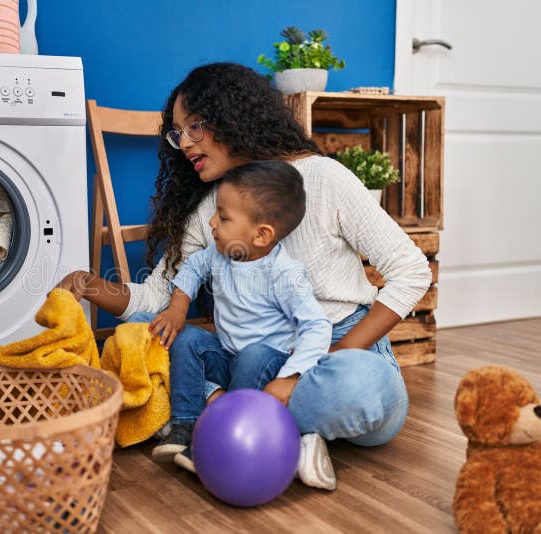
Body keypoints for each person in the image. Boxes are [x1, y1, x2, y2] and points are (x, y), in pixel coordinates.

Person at [57, 62, 431, 490]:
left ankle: (226, 418)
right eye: (177, 134)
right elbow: (159, 300)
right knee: (145, 337)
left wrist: (335, 355)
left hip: (336, 352)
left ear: (231, 115)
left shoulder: (323, 178)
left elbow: (411, 271)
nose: (184, 144)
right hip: (254, 364)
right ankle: (286, 435)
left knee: (360, 384)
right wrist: (88, 284)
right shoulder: (209, 211)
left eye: (193, 127)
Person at [147, 160, 333, 470]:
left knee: (254, 354)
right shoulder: (219, 253)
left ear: (261, 235)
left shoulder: (284, 274)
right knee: (188, 338)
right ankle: (185, 425)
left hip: (267, 364)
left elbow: (316, 325)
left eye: (223, 217)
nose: (211, 223)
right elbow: (192, 267)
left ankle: (221, 437)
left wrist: (290, 377)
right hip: (228, 358)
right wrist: (178, 308)